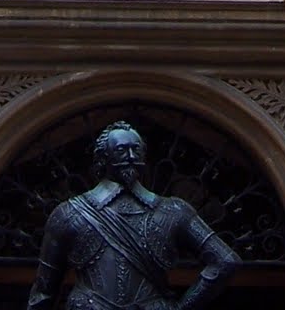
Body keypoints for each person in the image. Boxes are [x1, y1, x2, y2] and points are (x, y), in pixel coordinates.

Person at [27, 121, 240, 310]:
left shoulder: (173, 210)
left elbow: (225, 260)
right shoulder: (69, 213)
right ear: (103, 158)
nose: (130, 157)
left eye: (135, 150)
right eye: (121, 150)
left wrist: (184, 306)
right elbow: (44, 291)